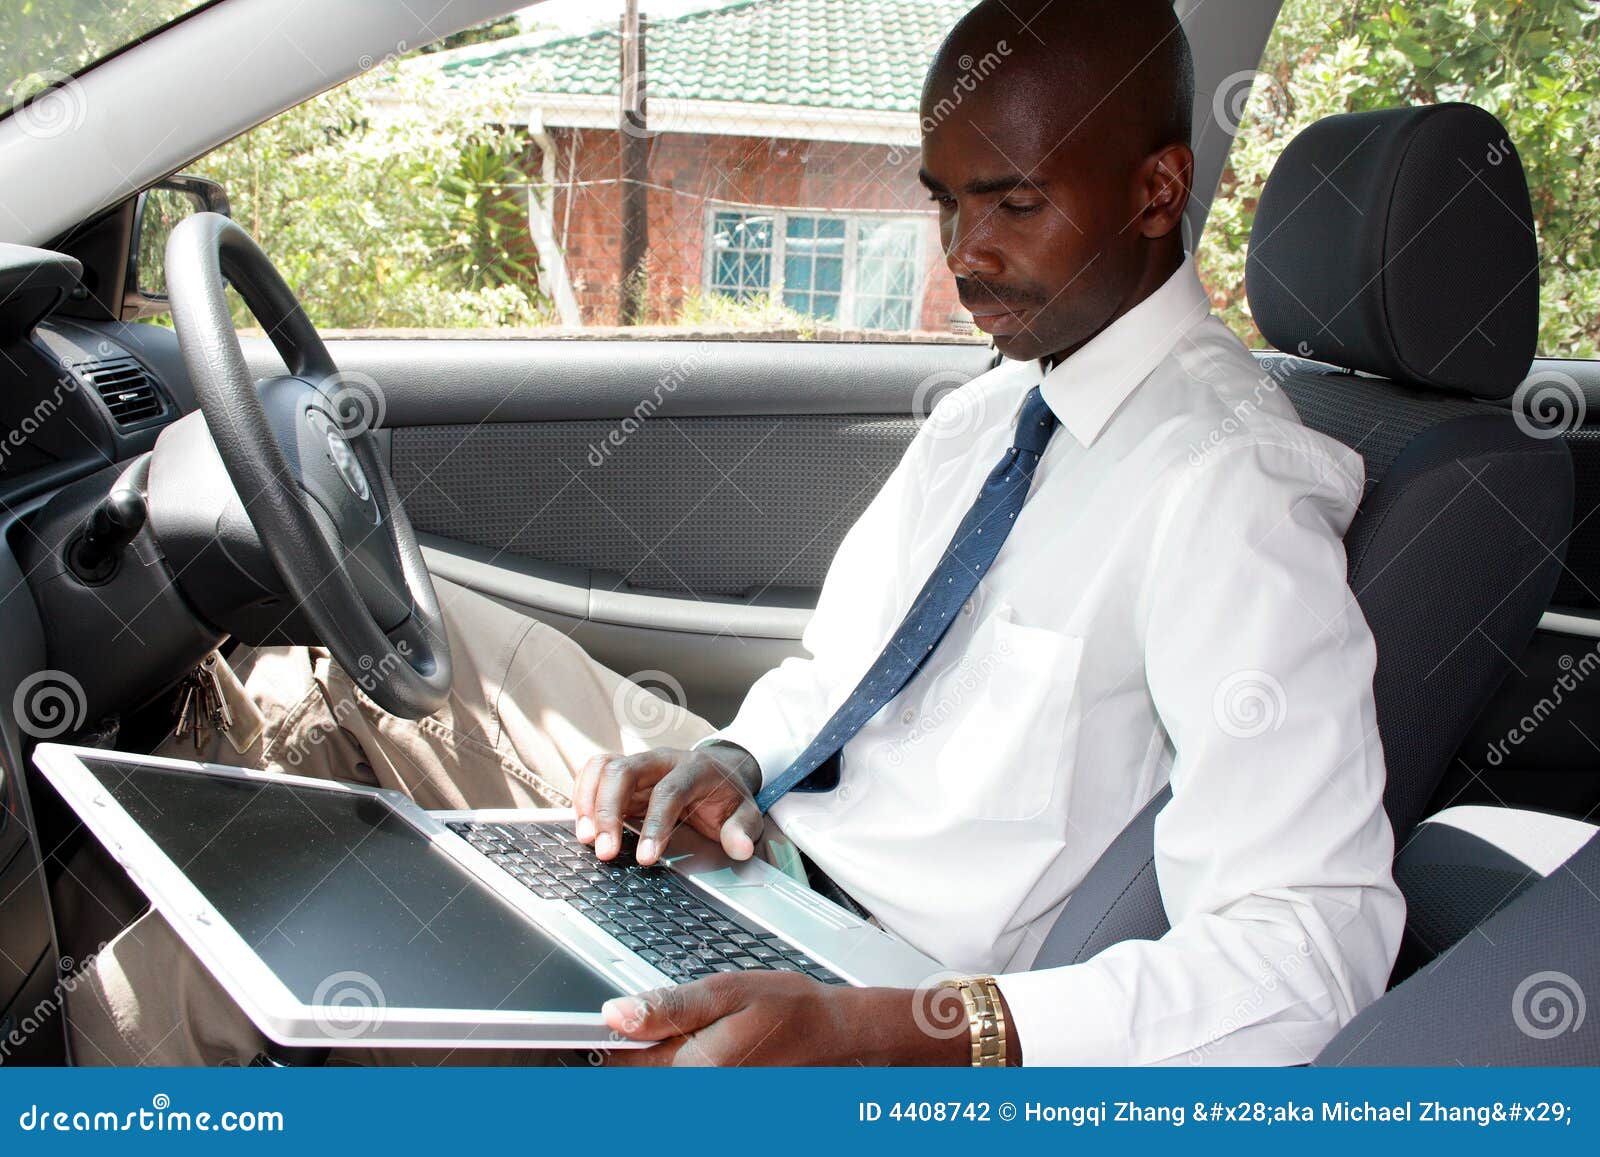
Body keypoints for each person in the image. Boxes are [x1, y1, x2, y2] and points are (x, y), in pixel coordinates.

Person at [67, 0, 1402, 1067]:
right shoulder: (1010, 399)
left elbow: (1309, 952)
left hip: (879, 973)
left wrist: (903, 1032)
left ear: (1158, 191)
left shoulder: (1231, 487)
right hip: (767, 851)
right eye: (944, 200)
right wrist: (730, 754)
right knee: (344, 661)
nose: (963, 252)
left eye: (1010, 202)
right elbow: (841, 669)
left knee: (229, 946)